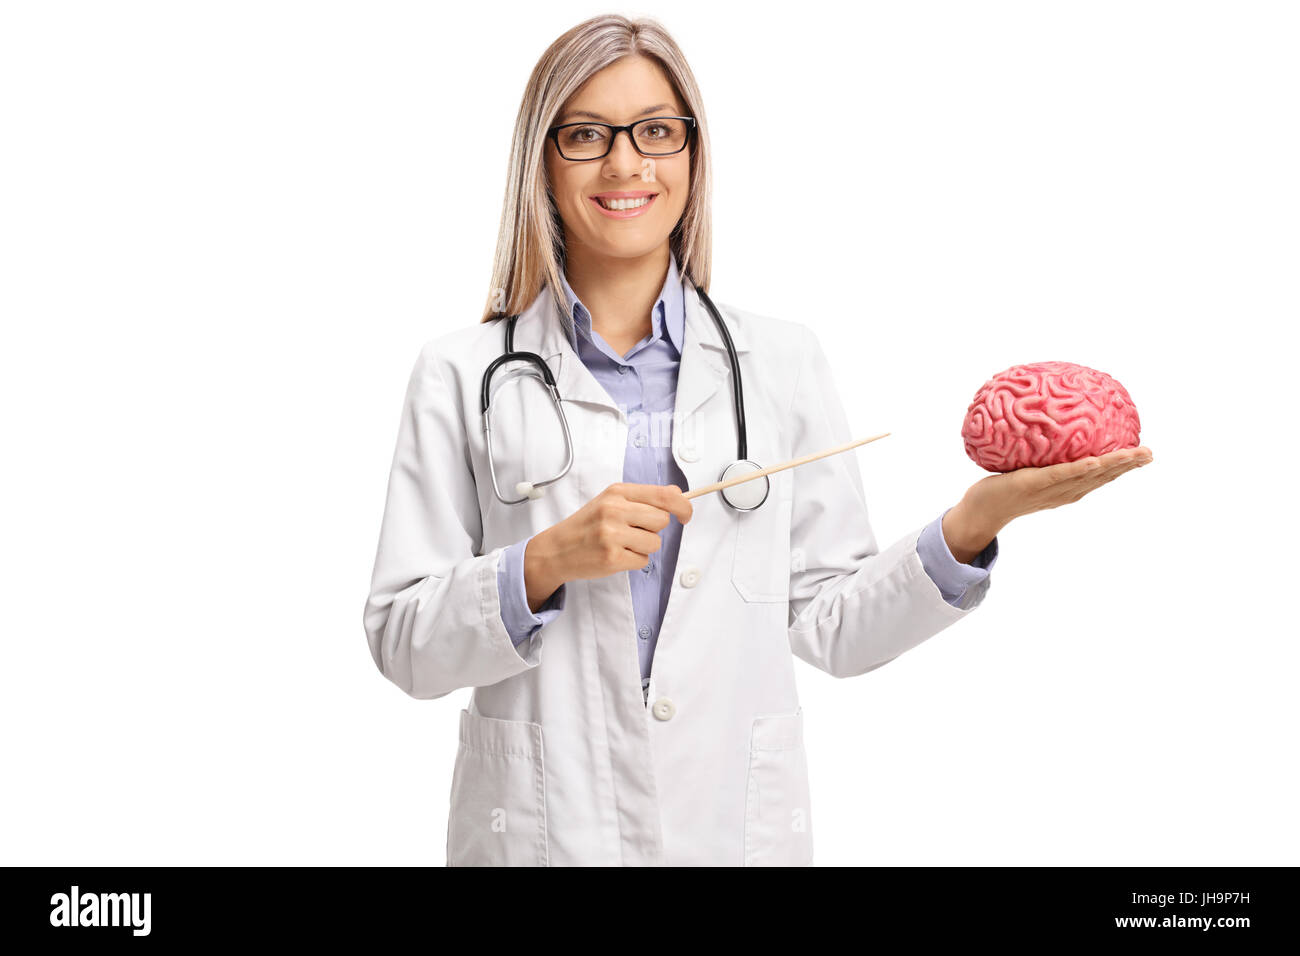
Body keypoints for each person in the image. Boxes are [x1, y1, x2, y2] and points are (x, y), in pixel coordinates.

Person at [362, 14, 1153, 867]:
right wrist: (542, 562)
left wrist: (974, 520)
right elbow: (403, 641)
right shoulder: (460, 372)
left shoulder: (780, 360)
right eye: (586, 135)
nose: (626, 163)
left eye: (657, 131)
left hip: (730, 831)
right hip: (543, 835)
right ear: (541, 163)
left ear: (693, 156)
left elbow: (833, 624)